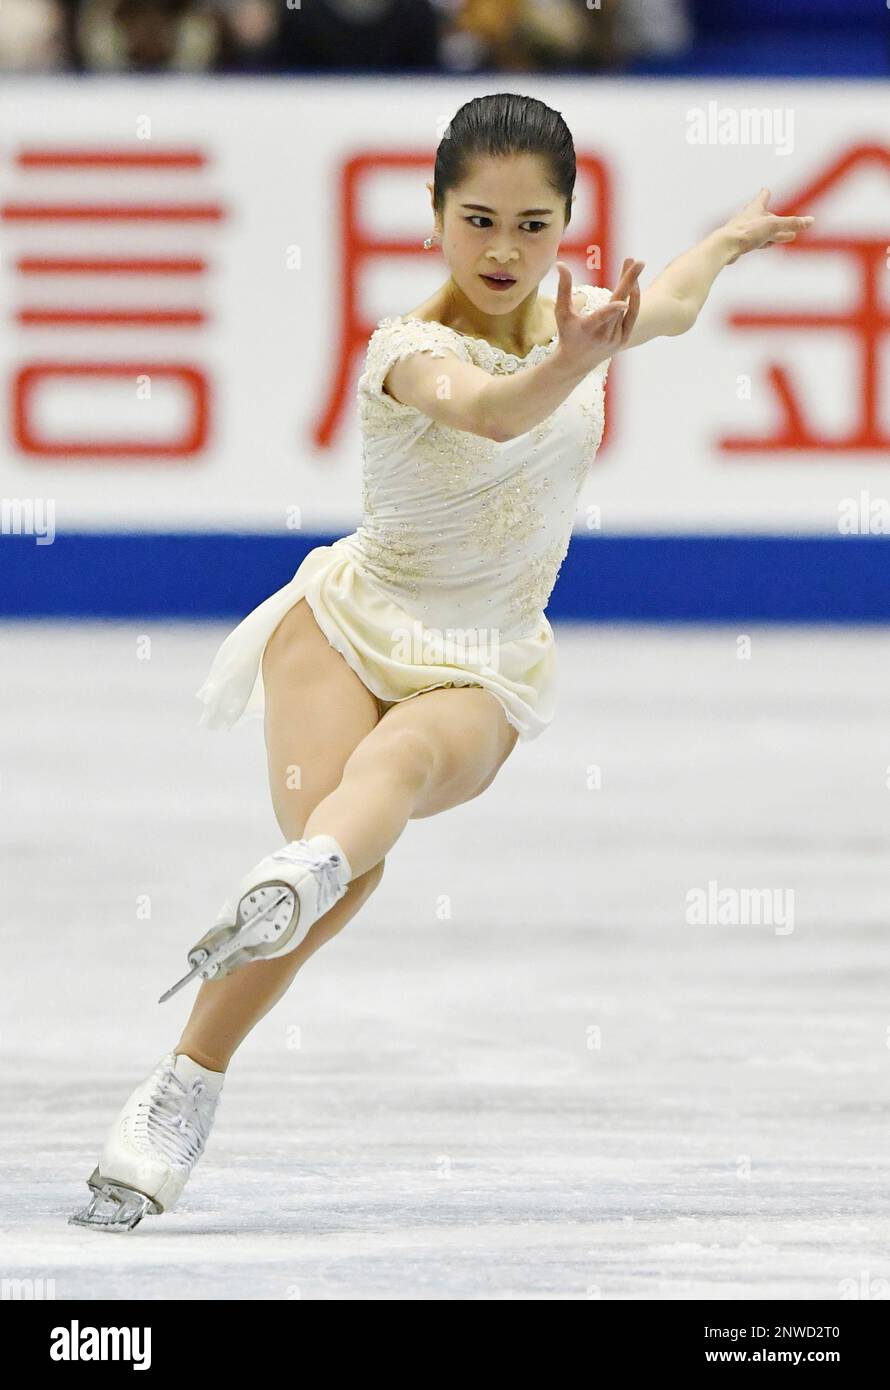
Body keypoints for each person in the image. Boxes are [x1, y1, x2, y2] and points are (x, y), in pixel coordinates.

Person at [69, 93, 815, 1230]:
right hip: (342, 620)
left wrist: (720, 240)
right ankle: (190, 1073)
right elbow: (494, 412)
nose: (503, 250)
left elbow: (668, 302)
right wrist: (569, 363)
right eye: (476, 220)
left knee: (403, 766)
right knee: (346, 863)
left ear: (565, 220)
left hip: (483, 657)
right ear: (431, 219)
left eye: (530, 224)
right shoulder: (405, 352)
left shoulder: (592, 320)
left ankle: (280, 913)